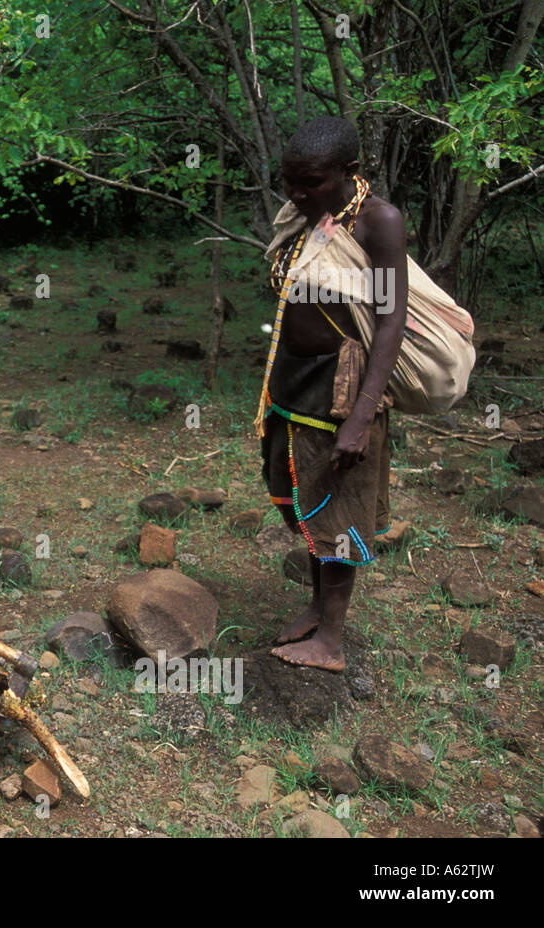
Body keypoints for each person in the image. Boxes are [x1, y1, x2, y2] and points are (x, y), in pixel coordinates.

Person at [256, 116, 409, 673]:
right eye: (289, 182)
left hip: (342, 392)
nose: (297, 194)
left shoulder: (379, 223)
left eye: (311, 182)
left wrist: (361, 419)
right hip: (295, 386)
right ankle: (319, 606)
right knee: (308, 502)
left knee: (338, 508)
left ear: (349, 172)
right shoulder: (305, 215)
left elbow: (392, 320)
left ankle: (333, 641)